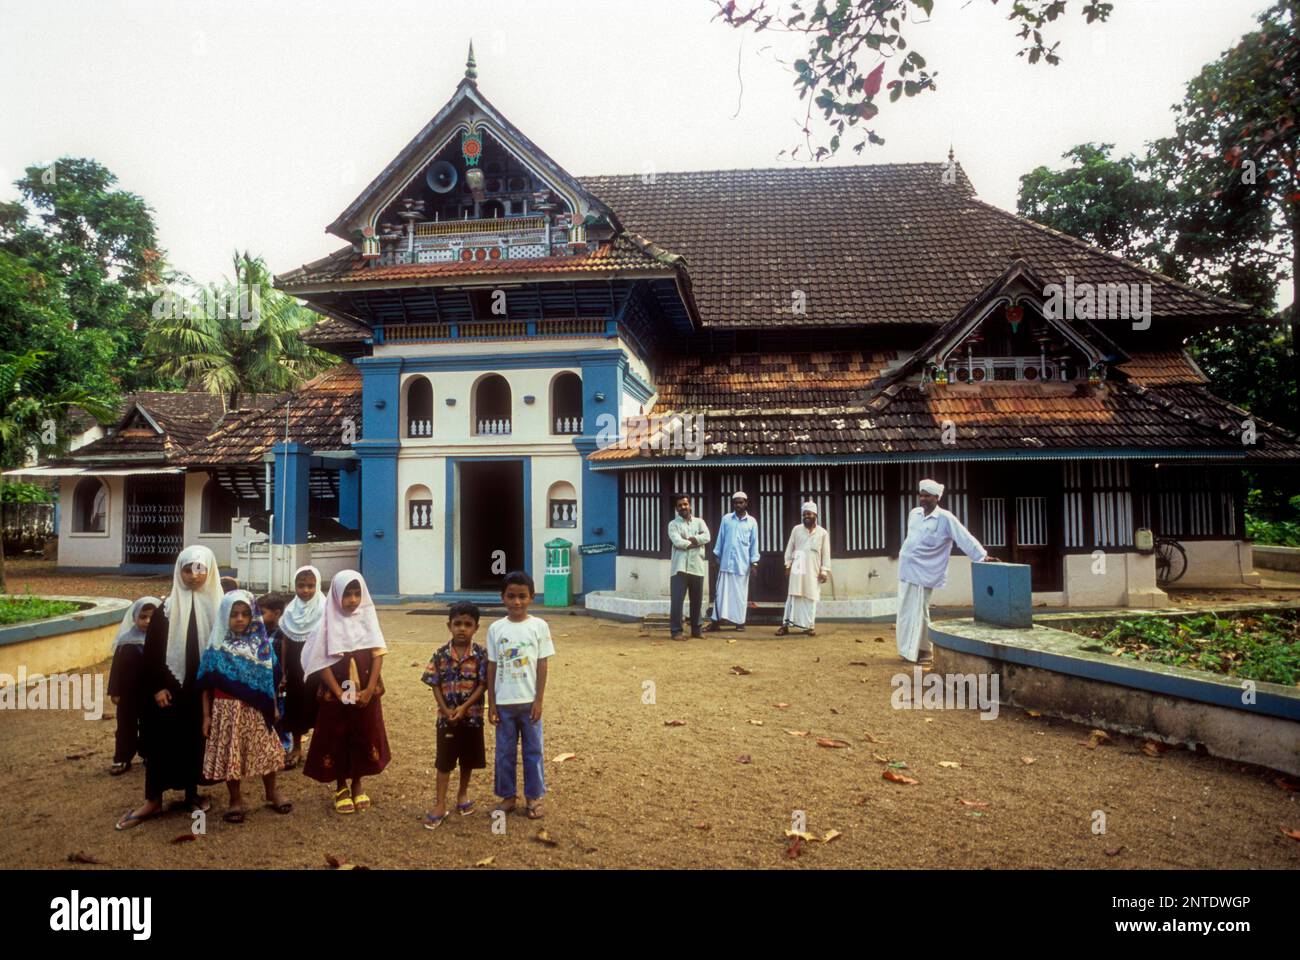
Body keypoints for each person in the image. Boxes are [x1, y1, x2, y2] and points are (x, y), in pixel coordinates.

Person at [115, 545, 223, 830]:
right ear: (179, 571)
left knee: (195, 740)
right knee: (160, 741)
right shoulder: (166, 609)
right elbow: (151, 654)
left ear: (209, 570)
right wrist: (157, 688)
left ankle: (191, 794)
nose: (193, 575)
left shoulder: (219, 606)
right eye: (188, 569)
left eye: (199, 569)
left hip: (201, 690)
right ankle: (153, 799)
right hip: (169, 690)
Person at [196, 590, 292, 823]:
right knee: (232, 755)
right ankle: (235, 800)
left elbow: (271, 680)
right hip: (226, 711)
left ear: (253, 617)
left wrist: (274, 707)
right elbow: (205, 686)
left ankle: (271, 792)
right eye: (234, 614)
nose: (239, 619)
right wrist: (206, 716)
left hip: (257, 710)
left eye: (245, 614)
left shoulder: (262, 647)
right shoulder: (216, 648)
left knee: (266, 752)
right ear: (224, 616)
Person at [301, 570, 390, 815]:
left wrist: (370, 689)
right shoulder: (328, 623)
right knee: (338, 733)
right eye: (347, 594)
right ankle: (341, 784)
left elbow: (378, 654)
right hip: (337, 688)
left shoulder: (368, 618)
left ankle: (358, 781)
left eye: (356, 594)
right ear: (337, 595)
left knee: (363, 731)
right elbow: (321, 661)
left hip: (364, 687)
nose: (352, 600)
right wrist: (339, 692)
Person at [896, 479, 998, 663]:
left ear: (936, 497)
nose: (923, 499)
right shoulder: (915, 514)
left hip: (924, 572)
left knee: (920, 611)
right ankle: (908, 650)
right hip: (907, 570)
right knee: (905, 612)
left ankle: (924, 650)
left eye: (927, 496)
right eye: (921, 495)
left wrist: (982, 556)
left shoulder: (945, 518)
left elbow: (964, 537)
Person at [487, 571, 554, 820]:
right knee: (504, 752)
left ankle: (534, 797)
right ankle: (507, 796)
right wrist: (491, 703)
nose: (517, 602)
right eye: (511, 596)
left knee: (533, 751)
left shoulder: (539, 626)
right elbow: (492, 666)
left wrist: (538, 700)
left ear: (532, 597)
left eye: (522, 597)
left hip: (529, 704)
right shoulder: (496, 629)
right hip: (504, 703)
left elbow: (542, 664)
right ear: (503, 598)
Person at [420, 601, 488, 830]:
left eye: (467, 624)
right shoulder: (439, 655)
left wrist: (465, 707)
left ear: (476, 628)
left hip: (472, 717)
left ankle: (462, 795)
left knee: (468, 760)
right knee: (444, 761)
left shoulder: (481, 655)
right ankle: (440, 803)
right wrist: (447, 709)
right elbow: (434, 684)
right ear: (449, 625)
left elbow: (482, 684)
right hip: (446, 719)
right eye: (457, 623)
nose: (462, 628)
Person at [107, 596, 161, 775]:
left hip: (151, 693)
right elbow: (116, 669)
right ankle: (122, 757)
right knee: (125, 725)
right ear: (135, 617)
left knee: (150, 725)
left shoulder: (163, 641)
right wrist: (114, 691)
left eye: (152, 617)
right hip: (128, 693)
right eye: (143, 617)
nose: (147, 621)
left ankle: (149, 754)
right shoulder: (126, 641)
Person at [277, 565, 325, 768]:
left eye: (310, 586)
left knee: (321, 706)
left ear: (318, 585)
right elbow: (287, 642)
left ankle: (321, 750)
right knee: (296, 704)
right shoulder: (290, 610)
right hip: (296, 668)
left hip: (319, 666)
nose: (305, 590)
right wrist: (283, 672)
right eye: (301, 585)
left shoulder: (324, 608)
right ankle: (296, 747)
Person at [705, 491, 760, 631]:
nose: (738, 505)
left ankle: (739, 623)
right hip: (725, 564)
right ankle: (716, 622)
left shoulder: (752, 522)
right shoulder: (726, 519)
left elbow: (754, 544)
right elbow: (720, 539)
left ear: (746, 503)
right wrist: (716, 556)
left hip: (742, 565)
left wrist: (754, 563)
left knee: (740, 597)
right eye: (736, 502)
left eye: (741, 502)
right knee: (721, 594)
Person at [778, 502, 830, 636]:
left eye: (809, 514)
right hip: (797, 566)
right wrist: (787, 565)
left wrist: (824, 571)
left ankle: (809, 626)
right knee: (794, 594)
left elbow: (826, 553)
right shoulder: (796, 529)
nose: (806, 516)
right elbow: (790, 547)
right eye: (804, 514)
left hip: (814, 568)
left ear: (815, 515)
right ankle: (785, 625)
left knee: (811, 595)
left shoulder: (823, 533)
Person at [667, 494, 711, 641]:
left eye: (685, 504)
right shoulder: (673, 524)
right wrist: (696, 542)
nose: (683, 507)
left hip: (697, 566)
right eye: (680, 505)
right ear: (676, 508)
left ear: (690, 505)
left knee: (697, 600)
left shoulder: (699, 522)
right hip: (679, 568)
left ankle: (696, 630)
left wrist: (693, 540)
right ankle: (676, 631)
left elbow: (707, 537)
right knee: (677, 601)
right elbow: (677, 542)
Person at [258, 592, 293, 755]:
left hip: (280, 681)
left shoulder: (284, 633)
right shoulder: (258, 631)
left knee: (281, 710)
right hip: (264, 680)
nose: (258, 616)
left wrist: (284, 675)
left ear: (277, 613)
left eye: (262, 612)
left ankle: (284, 745)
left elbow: (286, 658)